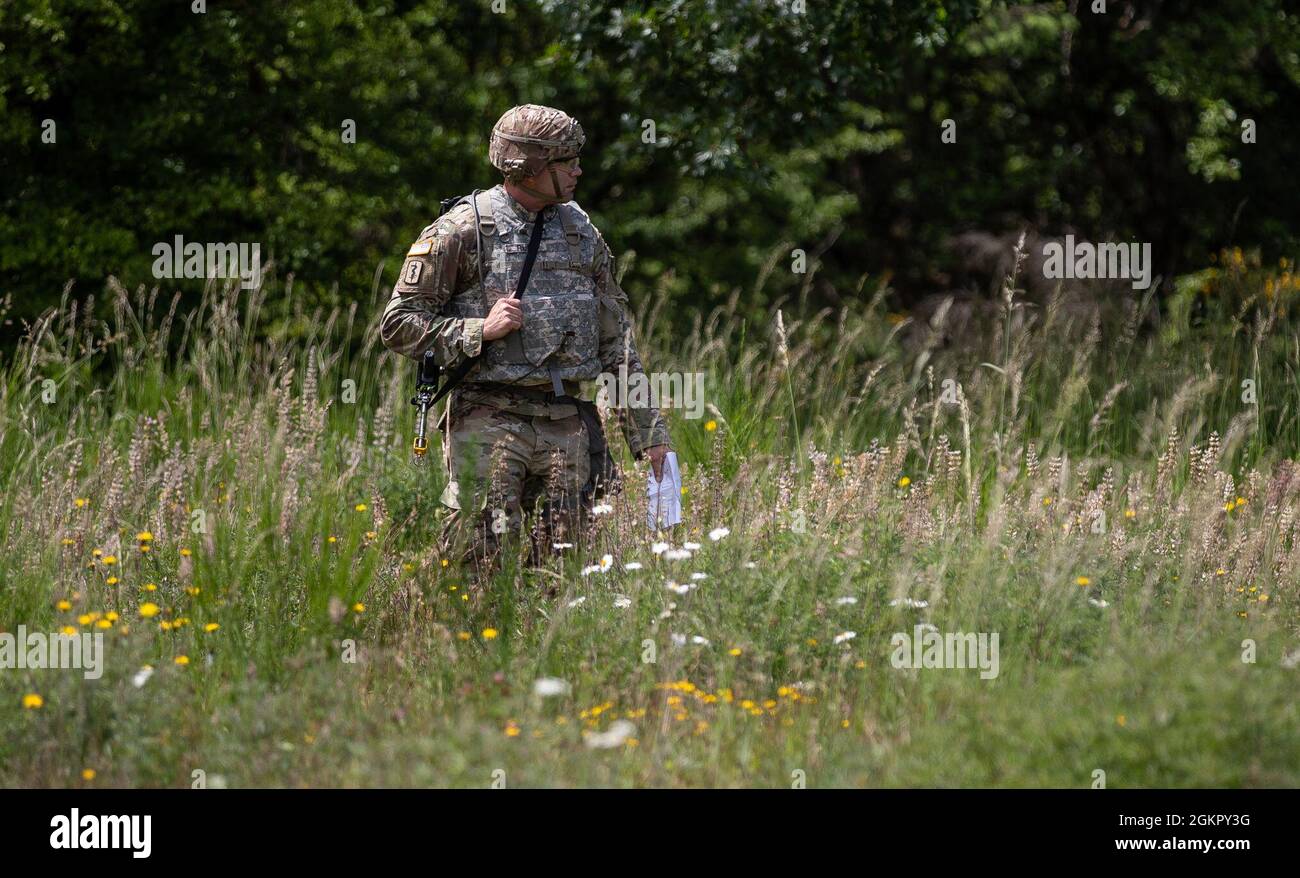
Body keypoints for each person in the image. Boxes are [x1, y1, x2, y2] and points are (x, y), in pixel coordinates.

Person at [380, 104, 671, 576]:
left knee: (567, 570)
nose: (578, 169)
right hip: (488, 417)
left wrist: (649, 436)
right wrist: (479, 330)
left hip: (568, 422)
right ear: (528, 166)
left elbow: (616, 344)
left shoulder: (582, 233)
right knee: (477, 560)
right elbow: (398, 324)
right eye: (566, 161)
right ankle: (466, 642)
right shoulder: (464, 229)